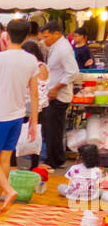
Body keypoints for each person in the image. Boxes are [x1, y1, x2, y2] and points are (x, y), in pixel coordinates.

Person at [0, 15, 39, 211]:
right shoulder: (31, 60)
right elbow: (35, 94)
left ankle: (8, 189)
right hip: (17, 116)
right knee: (4, 159)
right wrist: (34, 121)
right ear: (26, 36)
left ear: (7, 35)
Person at [42, 18, 79, 168]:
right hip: (53, 93)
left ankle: (54, 160)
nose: (44, 40)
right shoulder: (57, 47)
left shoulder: (63, 48)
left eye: (46, 36)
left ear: (56, 34)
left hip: (59, 96)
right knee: (51, 129)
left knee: (53, 130)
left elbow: (73, 72)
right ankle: (56, 157)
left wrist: (56, 88)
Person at [17, 40, 51, 171]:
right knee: (24, 134)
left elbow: (41, 93)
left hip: (37, 108)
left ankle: (34, 166)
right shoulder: (29, 67)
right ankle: (29, 165)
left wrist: (35, 112)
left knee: (34, 135)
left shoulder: (41, 67)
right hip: (26, 106)